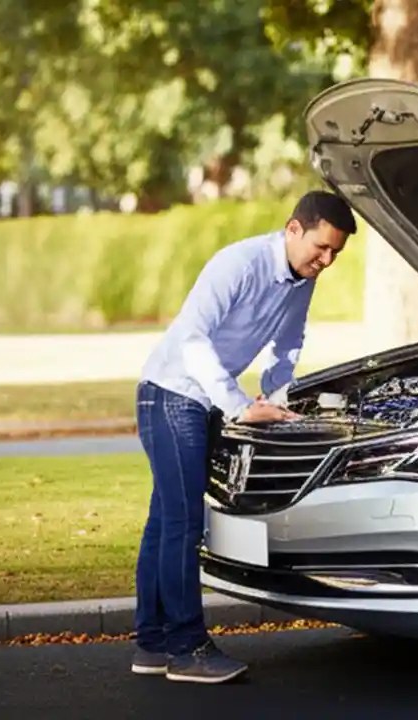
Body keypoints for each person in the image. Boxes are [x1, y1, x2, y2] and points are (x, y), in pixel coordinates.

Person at [128, 190, 355, 683]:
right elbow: (191, 336)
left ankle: (151, 644)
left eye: (336, 253)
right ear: (294, 229)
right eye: (321, 247)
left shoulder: (301, 281)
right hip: (170, 395)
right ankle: (188, 649)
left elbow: (288, 341)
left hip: (202, 401)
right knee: (184, 525)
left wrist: (278, 398)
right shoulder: (238, 263)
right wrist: (237, 405)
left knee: (165, 521)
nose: (327, 260)